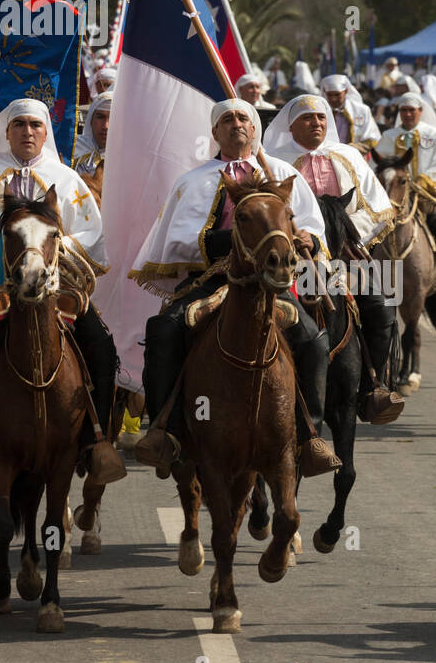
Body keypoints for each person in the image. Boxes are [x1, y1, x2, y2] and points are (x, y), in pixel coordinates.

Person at [130, 100, 341, 479]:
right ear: (214, 133)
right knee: (163, 329)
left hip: (272, 282)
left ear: (255, 128)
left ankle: (311, 436)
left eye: (244, 117)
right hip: (212, 278)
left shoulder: (281, 173)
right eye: (226, 119)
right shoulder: (192, 180)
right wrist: (239, 240)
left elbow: (311, 224)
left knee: (314, 342)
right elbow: (179, 239)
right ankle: (166, 431)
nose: (236, 124)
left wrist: (307, 237)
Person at [0, 97, 124, 492]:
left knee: (102, 347)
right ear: (6, 132)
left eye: (35, 126)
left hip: (53, 284)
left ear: (45, 133)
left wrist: (48, 253)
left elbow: (89, 237)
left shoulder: (66, 179)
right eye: (19, 125)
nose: (27, 132)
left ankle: (95, 441)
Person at [263, 96, 402, 423]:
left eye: (321, 118)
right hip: (296, 257)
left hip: (346, 254)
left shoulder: (349, 155)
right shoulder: (272, 162)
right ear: (291, 125)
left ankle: (371, 387)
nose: (317, 123)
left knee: (384, 306)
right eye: (308, 118)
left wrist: (345, 236)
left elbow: (377, 209)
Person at [375, 92, 436, 306]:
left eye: (411, 110)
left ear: (420, 112)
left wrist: (423, 181)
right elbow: (377, 167)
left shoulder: (434, 135)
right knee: (370, 230)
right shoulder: (389, 137)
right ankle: (365, 275)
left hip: (427, 195)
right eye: (403, 111)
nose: (407, 114)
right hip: (395, 197)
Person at [320, 74, 380, 153]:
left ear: (346, 91)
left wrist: (350, 149)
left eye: (337, 95)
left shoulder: (362, 110)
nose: (333, 99)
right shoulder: (321, 111)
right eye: (330, 95)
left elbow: (372, 138)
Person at [73, 91, 112, 182]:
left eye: (112, 117)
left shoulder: (127, 156)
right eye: (100, 117)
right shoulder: (72, 148)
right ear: (91, 119)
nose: (105, 126)